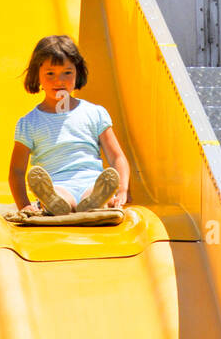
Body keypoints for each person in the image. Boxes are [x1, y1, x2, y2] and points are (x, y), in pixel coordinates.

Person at [8, 35, 130, 215]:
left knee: (94, 194)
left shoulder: (94, 113)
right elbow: (17, 170)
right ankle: (51, 202)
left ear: (77, 73)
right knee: (59, 198)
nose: (60, 80)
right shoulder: (29, 123)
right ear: (37, 75)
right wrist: (24, 205)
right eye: (50, 73)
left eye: (67, 72)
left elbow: (116, 157)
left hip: (92, 182)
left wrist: (122, 190)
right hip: (57, 185)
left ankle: (97, 201)